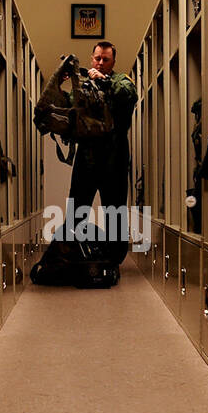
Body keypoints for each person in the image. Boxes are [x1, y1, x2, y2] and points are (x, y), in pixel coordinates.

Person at [67, 41, 137, 264]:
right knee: (77, 206)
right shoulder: (84, 86)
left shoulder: (121, 81)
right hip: (87, 153)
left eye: (106, 59)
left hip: (114, 155)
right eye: (97, 58)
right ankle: (72, 255)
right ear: (91, 59)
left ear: (113, 62)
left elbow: (128, 96)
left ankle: (113, 261)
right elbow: (69, 110)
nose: (101, 62)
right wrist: (64, 83)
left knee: (114, 209)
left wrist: (104, 82)